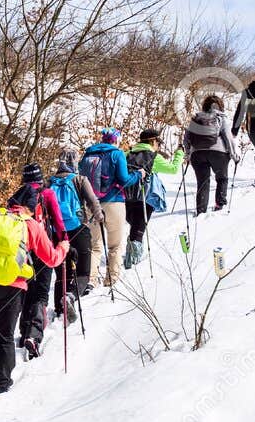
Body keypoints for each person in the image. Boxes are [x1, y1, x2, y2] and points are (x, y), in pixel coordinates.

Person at [0, 185, 68, 394]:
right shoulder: (31, 225)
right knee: (5, 335)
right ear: (31, 207)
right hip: (12, 286)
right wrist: (63, 247)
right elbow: (52, 259)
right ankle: (3, 383)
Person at [15, 162, 68, 359]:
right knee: (41, 293)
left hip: (21, 252)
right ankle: (34, 335)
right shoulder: (47, 194)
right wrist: (64, 242)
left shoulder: (16, 196)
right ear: (40, 177)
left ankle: (23, 333)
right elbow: (58, 221)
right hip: (43, 248)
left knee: (26, 290)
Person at [78, 128, 139, 287]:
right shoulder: (116, 154)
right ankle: (111, 280)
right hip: (114, 203)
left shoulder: (88, 154)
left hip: (92, 204)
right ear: (116, 140)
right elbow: (124, 179)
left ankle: (90, 281)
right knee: (115, 245)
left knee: (94, 245)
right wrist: (139, 175)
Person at [49, 149, 102, 317]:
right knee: (83, 272)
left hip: (57, 232)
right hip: (78, 227)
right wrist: (100, 216)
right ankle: (70, 296)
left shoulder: (49, 182)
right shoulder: (80, 179)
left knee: (61, 271)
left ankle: (59, 310)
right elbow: (92, 201)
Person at [123, 128, 183, 268]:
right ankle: (132, 262)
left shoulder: (126, 154)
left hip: (126, 196)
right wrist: (179, 153)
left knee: (135, 225)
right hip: (145, 197)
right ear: (152, 141)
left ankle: (131, 254)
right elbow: (173, 169)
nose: (159, 145)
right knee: (139, 228)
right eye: (158, 142)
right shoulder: (153, 157)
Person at [182, 94, 237, 214]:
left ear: (205, 106)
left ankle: (201, 209)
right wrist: (233, 154)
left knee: (203, 182)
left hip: (197, 153)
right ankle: (219, 204)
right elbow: (228, 137)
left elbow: (186, 139)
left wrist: (188, 154)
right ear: (220, 106)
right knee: (222, 178)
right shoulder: (220, 118)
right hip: (219, 153)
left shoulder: (196, 118)